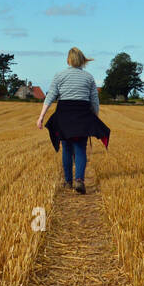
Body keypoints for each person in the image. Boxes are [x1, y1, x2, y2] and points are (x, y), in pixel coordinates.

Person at [36, 47, 110, 194]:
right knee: (80, 148)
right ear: (82, 61)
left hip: (64, 115)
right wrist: (94, 118)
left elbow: (50, 96)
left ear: (68, 60)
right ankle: (79, 180)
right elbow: (94, 101)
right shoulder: (88, 77)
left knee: (67, 149)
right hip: (82, 114)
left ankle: (68, 181)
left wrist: (41, 116)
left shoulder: (59, 75)